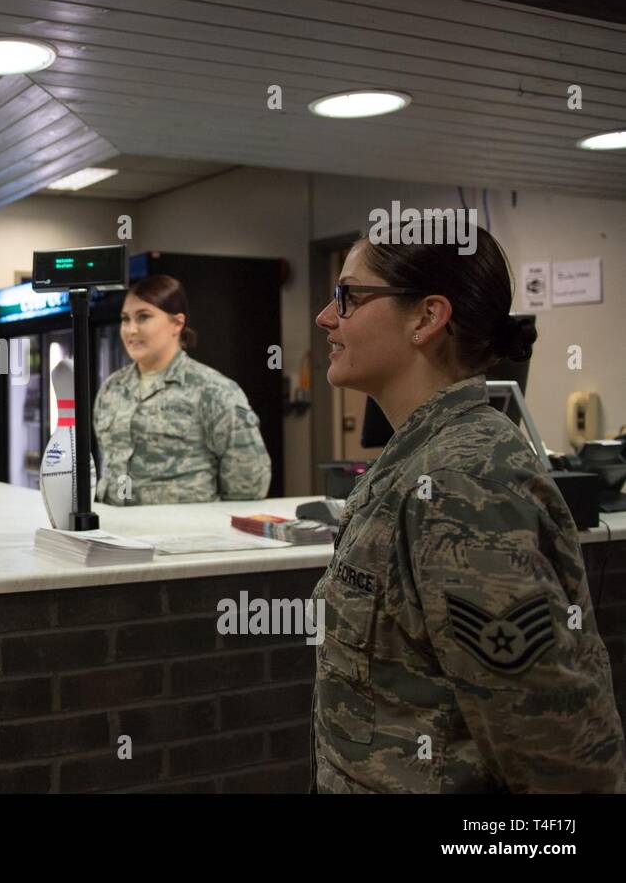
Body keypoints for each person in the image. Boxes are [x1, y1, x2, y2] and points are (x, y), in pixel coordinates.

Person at [311, 223, 624, 792]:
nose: (326, 317)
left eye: (349, 297)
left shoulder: (462, 482)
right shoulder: (413, 459)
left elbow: (553, 747)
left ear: (427, 319)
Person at [93, 274, 270, 504]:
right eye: (125, 319)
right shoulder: (112, 388)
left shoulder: (214, 390)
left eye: (143, 317)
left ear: (177, 323)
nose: (131, 330)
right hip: (114, 534)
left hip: (182, 535)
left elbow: (248, 486)